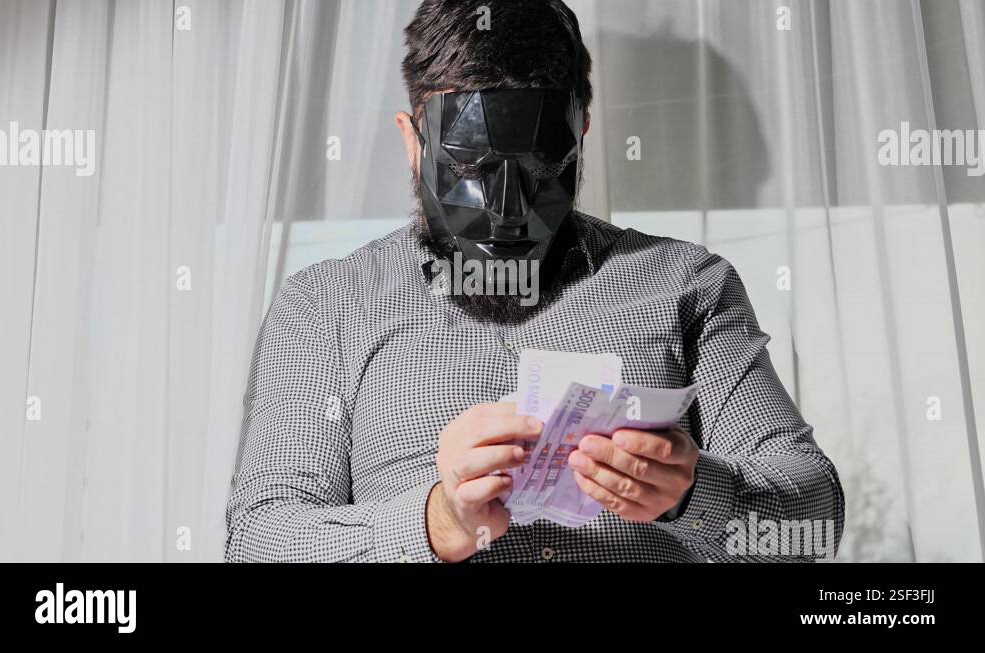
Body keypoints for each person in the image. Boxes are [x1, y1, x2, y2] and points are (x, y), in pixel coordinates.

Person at [225, 0, 844, 563]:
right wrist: (437, 521)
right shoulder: (326, 305)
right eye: (469, 167)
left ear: (581, 137)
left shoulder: (687, 285)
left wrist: (692, 492)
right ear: (412, 143)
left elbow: (815, 524)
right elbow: (257, 543)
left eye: (541, 169)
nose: (506, 211)